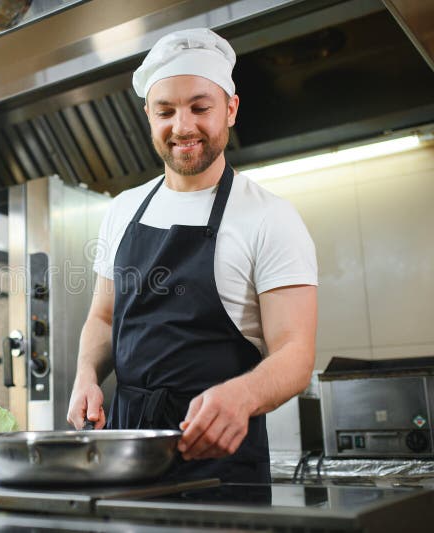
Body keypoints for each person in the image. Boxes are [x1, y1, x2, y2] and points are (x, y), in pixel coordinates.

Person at [66, 28, 318, 484]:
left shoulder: (270, 218)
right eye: (166, 111)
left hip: (220, 465)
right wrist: (87, 375)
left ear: (231, 109)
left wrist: (242, 396)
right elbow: (103, 318)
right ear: (148, 115)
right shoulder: (123, 209)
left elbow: (296, 353)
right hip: (125, 456)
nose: (182, 127)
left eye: (200, 108)